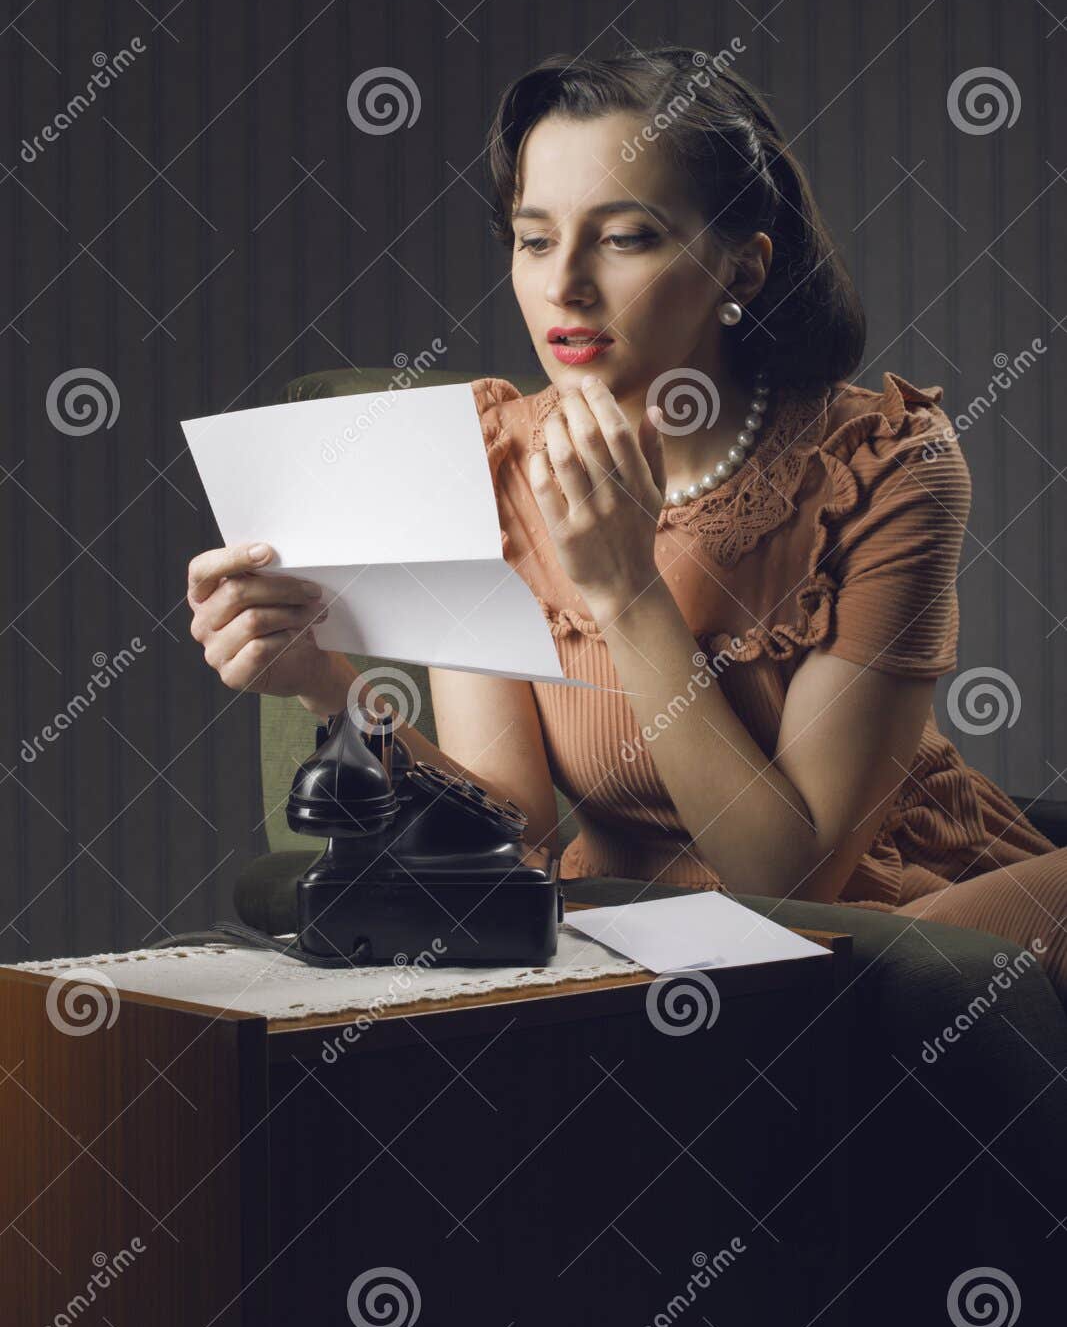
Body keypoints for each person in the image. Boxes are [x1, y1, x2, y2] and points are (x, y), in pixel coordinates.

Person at [186, 48, 1066, 1002]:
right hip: (636, 937)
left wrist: (627, 589)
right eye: (532, 240)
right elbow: (508, 822)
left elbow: (791, 881)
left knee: (900, 987)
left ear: (741, 264)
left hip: (897, 917)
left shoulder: (887, 463)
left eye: (626, 237)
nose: (564, 285)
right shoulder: (488, 462)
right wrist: (329, 688)